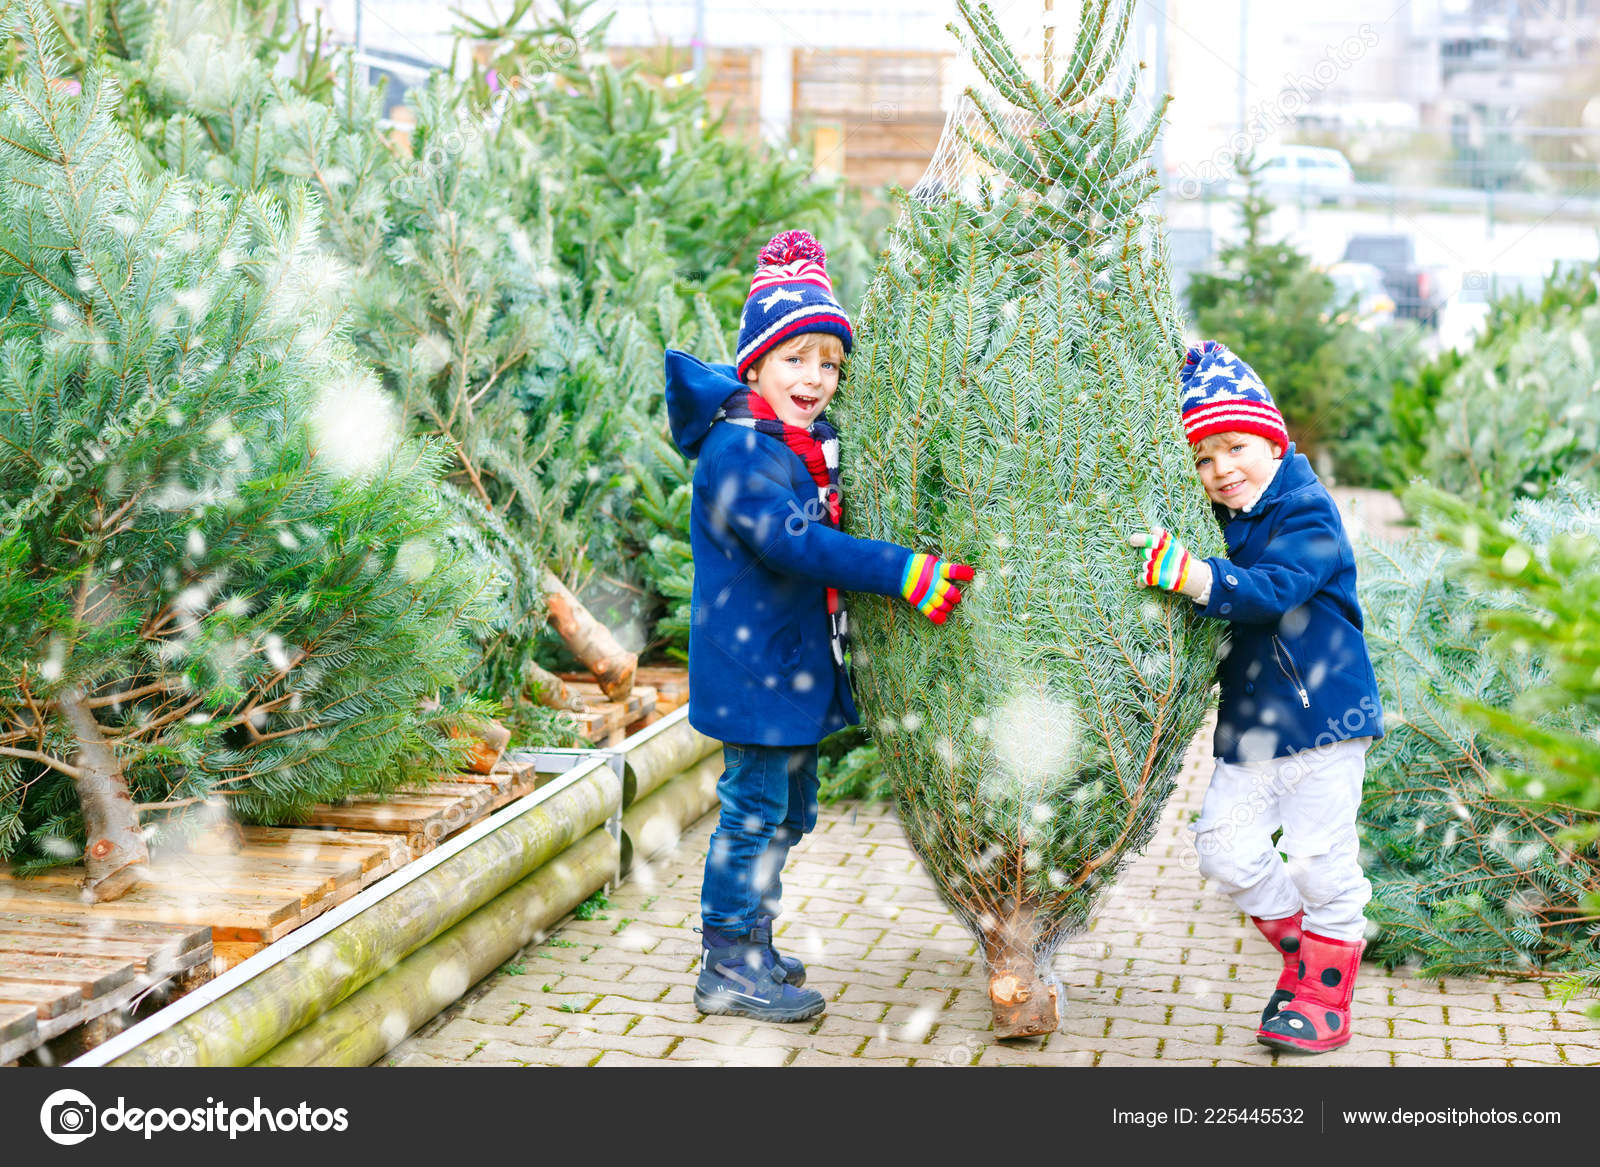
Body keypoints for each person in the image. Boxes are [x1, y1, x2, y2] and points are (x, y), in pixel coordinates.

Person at [664, 229, 974, 1023]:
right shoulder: (738, 452)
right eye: (796, 357)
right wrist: (900, 570)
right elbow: (794, 541)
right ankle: (728, 962)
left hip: (785, 670)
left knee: (788, 809)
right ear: (755, 364)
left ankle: (752, 936)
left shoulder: (796, 441)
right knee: (753, 809)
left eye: (829, 363)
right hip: (754, 673)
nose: (816, 377)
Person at [1128, 339, 1384, 1054]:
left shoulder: (1307, 511)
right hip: (1253, 725)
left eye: (1235, 446)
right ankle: (1310, 954)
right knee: (1223, 847)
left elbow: (1273, 590)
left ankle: (1325, 998)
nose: (1222, 470)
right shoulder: (1225, 518)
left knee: (1317, 857)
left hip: (1326, 717)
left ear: (1272, 438)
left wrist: (1195, 576)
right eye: (1204, 460)